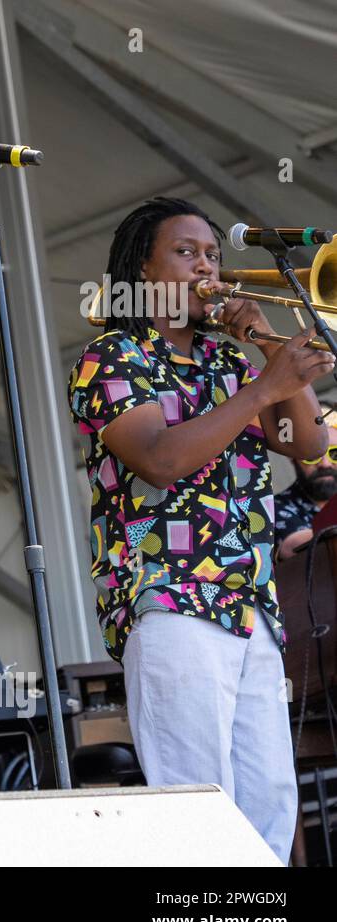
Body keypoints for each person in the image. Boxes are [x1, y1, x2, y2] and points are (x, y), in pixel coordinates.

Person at [67, 196, 335, 862]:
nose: (207, 267)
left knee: (270, 809)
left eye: (213, 254)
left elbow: (309, 447)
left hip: (252, 612)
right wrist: (259, 389)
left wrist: (268, 342)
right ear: (143, 269)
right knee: (197, 817)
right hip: (172, 603)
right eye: (186, 253)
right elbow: (160, 459)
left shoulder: (230, 363)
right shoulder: (111, 358)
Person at [275, 416, 336, 560]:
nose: (325, 464)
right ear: (293, 457)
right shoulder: (273, 507)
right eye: (312, 456)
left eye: (335, 453)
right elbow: (292, 547)